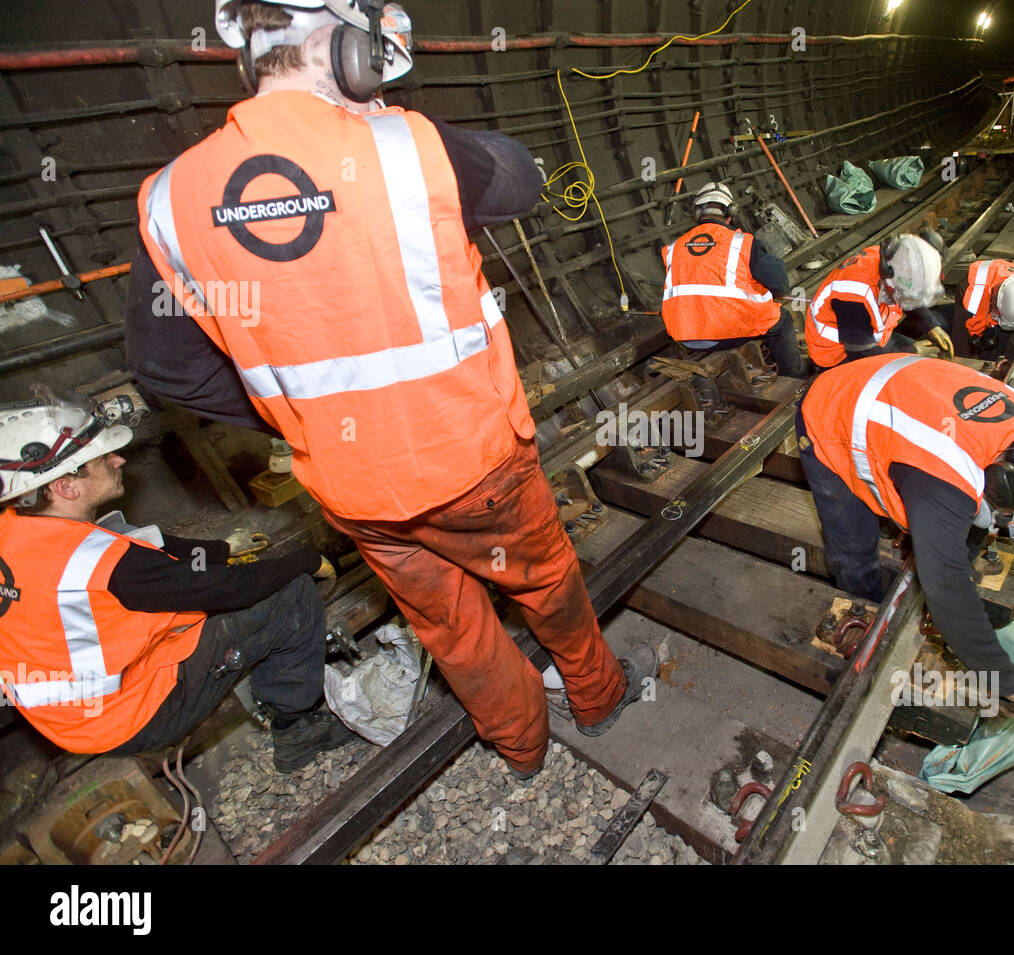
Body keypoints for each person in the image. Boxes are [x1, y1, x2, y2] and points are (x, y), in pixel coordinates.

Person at [124, 0, 654, 782]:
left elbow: (168, 371)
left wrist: (292, 410)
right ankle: (599, 695)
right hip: (477, 467)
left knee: (453, 628)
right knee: (547, 584)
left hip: (355, 490)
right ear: (346, 51)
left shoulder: (169, 201)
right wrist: (390, 119)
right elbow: (523, 179)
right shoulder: (408, 146)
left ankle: (522, 747)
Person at [0, 397, 347, 772]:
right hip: (125, 717)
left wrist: (219, 549)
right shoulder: (107, 567)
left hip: (59, 716)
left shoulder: (17, 523)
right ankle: (297, 732)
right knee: (289, 593)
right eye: (104, 459)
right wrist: (306, 560)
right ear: (66, 486)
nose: (119, 460)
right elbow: (233, 588)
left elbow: (129, 540)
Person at [797, 355, 1014, 718]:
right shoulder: (944, 481)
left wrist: (956, 554)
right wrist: (1004, 681)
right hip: (828, 409)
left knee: (924, 507)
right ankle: (861, 600)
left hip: (889, 383)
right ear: (1007, 488)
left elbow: (982, 514)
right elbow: (947, 588)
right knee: (854, 545)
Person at [662, 182, 808, 376]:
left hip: (686, 336)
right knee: (781, 321)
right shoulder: (741, 242)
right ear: (730, 213)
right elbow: (780, 284)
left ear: (696, 214)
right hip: (725, 333)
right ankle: (795, 381)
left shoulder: (675, 248)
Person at [805, 232, 954, 369]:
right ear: (889, 279)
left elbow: (907, 294)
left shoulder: (894, 259)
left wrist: (931, 325)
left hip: (869, 336)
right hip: (838, 354)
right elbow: (861, 355)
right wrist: (913, 351)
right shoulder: (853, 298)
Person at [943, 258, 1014, 360]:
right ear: (995, 301)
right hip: (974, 310)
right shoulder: (969, 290)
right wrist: (963, 363)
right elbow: (960, 332)